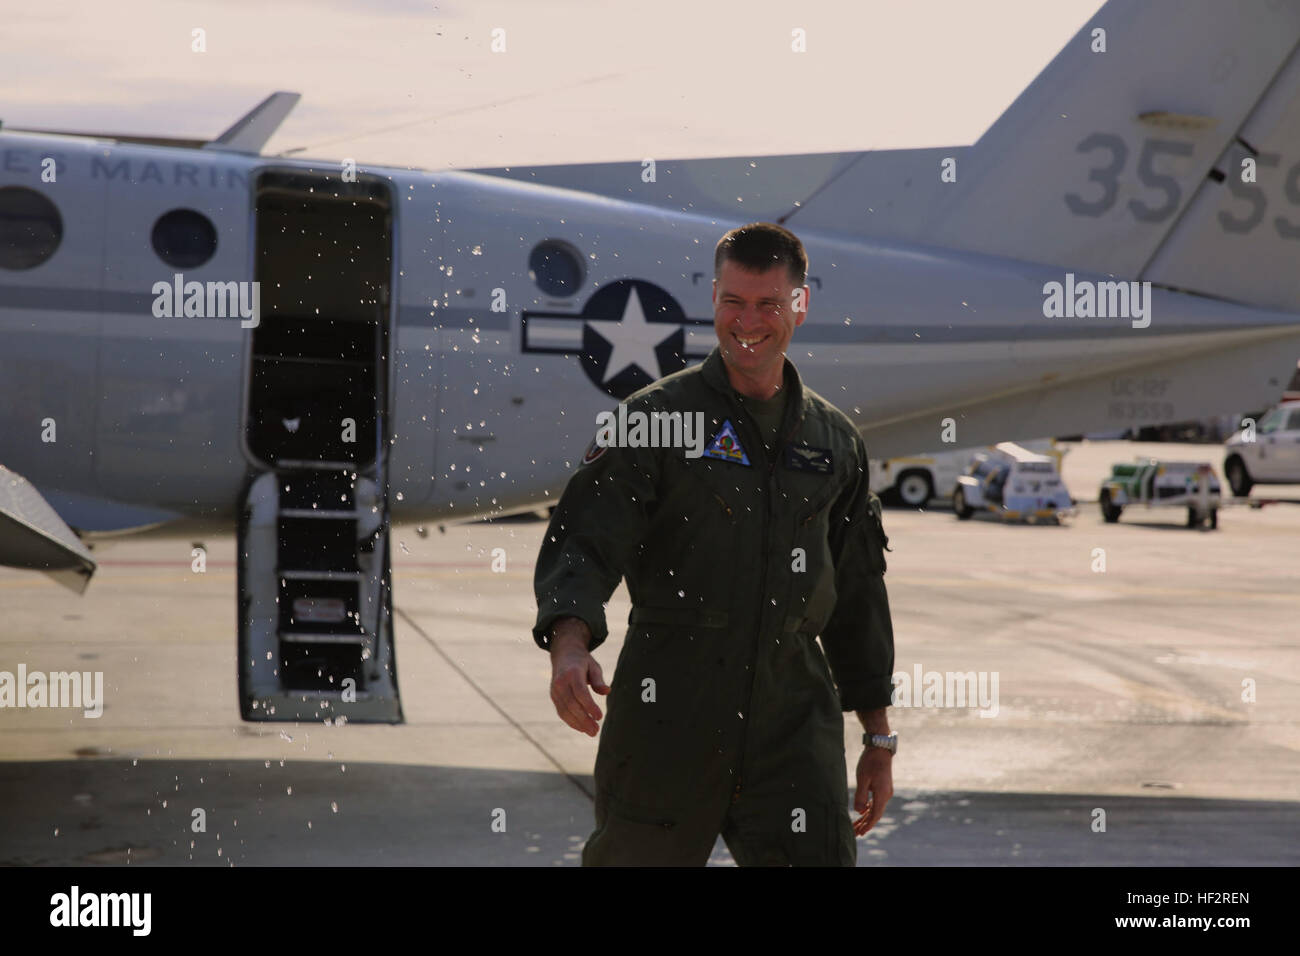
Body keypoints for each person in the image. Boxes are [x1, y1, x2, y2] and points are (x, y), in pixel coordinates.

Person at [532, 222, 896, 866]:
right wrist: (568, 647)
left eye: (769, 305)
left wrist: (878, 736)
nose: (748, 321)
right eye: (734, 302)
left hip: (794, 732)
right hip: (666, 721)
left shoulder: (835, 442)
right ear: (714, 300)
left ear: (800, 307)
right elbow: (584, 544)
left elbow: (859, 595)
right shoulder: (653, 420)